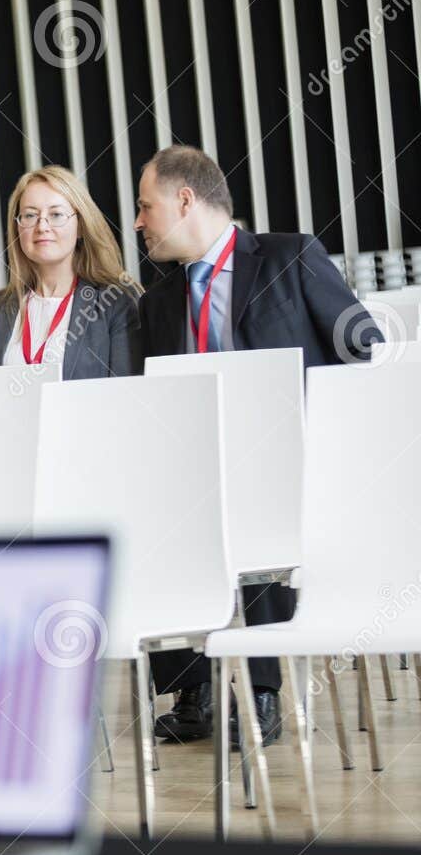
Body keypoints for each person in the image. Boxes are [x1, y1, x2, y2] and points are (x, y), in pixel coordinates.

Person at [133, 144, 380, 748]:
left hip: (292, 459)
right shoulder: (158, 300)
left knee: (251, 488)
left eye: (145, 207)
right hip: (198, 463)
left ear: (185, 199)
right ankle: (193, 689)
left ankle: (262, 693)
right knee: (154, 504)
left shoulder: (289, 256)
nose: (138, 223)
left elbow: (366, 353)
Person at [0, 166, 143, 376]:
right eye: (30, 215)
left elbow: (125, 395)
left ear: (80, 226)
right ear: (17, 227)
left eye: (56, 214)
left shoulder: (116, 302)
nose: (42, 226)